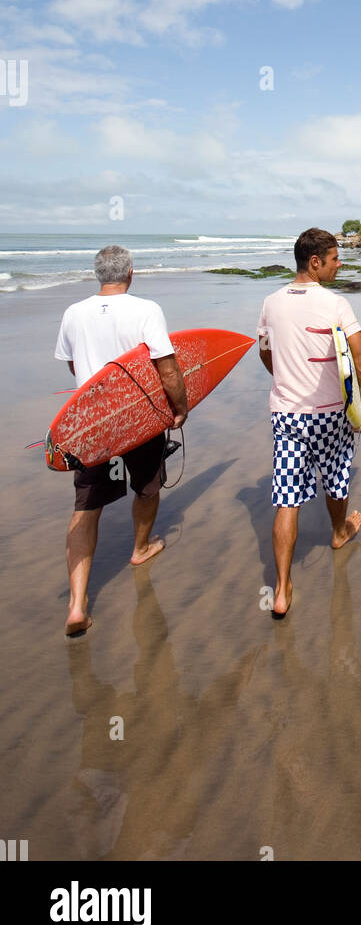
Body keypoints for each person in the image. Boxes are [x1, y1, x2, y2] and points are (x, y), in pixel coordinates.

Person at [55, 245, 188, 637]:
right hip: (140, 419)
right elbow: (167, 367)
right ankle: (140, 548)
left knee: (86, 506)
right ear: (130, 272)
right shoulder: (146, 309)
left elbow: (74, 365)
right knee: (147, 488)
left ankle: (77, 604)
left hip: (95, 425)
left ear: (98, 274)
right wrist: (179, 408)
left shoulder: (73, 312)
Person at [257, 228, 361, 619]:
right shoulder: (336, 304)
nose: (340, 264)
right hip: (329, 414)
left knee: (287, 498)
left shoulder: (270, 302)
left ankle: (281, 589)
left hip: (287, 414)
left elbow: (265, 352)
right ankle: (339, 533)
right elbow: (359, 360)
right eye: (335, 258)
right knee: (337, 476)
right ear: (315, 262)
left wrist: (286, 377)